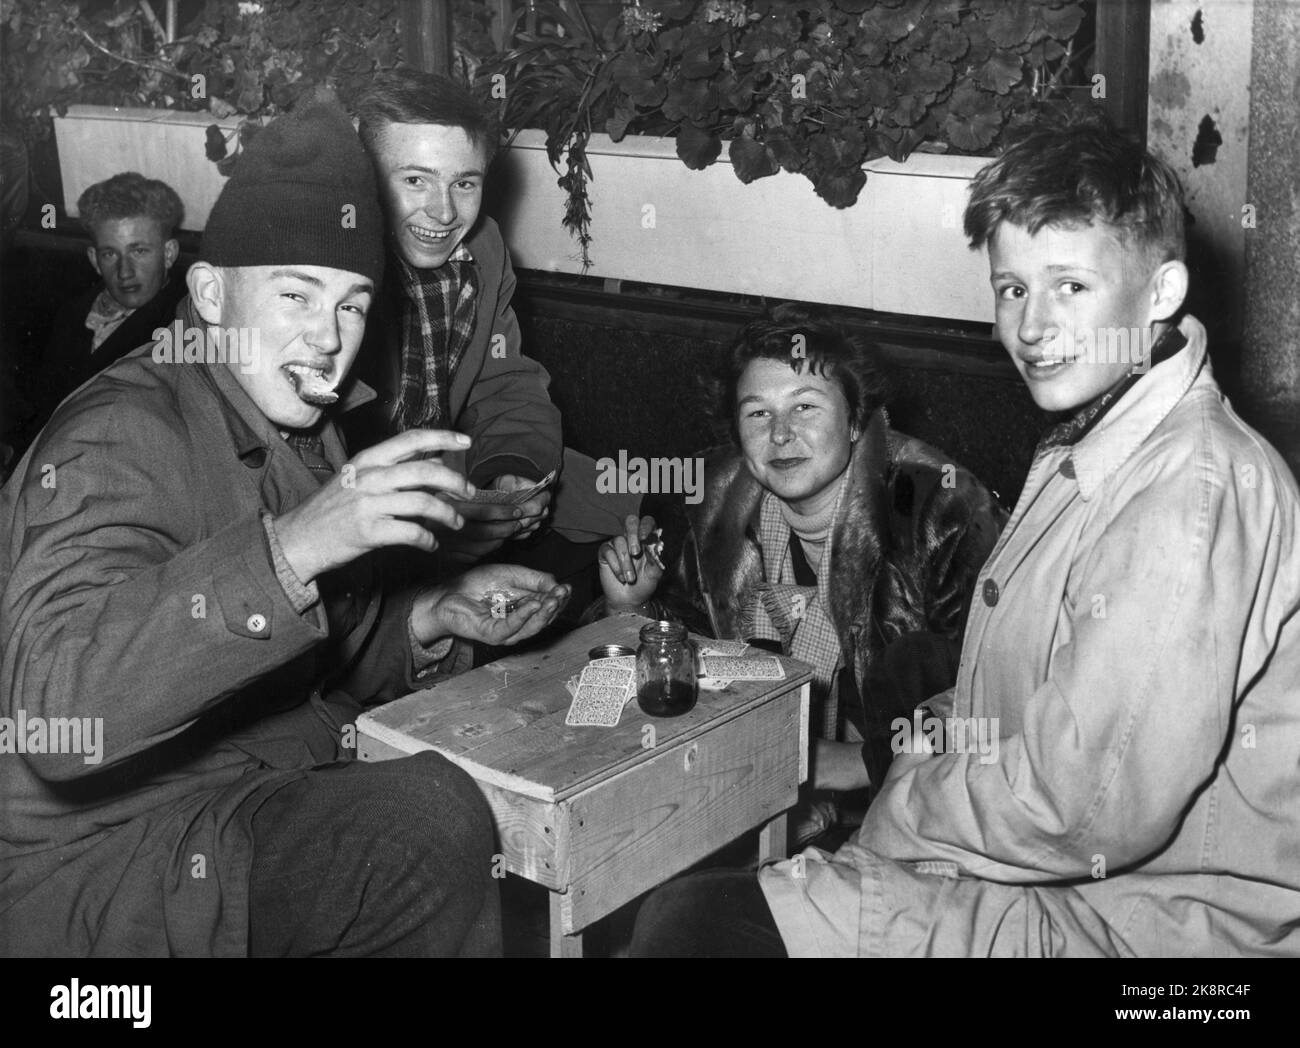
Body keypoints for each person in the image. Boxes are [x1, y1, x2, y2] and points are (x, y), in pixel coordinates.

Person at [630, 113, 1300, 958]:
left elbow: (1085, 808)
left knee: (695, 929)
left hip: (1160, 937)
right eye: (1013, 288)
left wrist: (903, 797)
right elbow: (1021, 693)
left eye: (1071, 287)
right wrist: (921, 740)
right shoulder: (1108, 437)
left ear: (1161, 294)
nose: (1031, 326)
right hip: (1066, 886)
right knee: (690, 911)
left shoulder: (1184, 493)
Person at [0, 100, 571, 957]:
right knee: (425, 823)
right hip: (99, 861)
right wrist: (299, 543)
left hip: (237, 799)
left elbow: (311, 656)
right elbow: (56, 710)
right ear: (207, 291)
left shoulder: (295, 416)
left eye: (351, 306)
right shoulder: (119, 431)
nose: (327, 340)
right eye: (295, 294)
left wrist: (434, 614)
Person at [596, 307, 1006, 798]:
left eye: (805, 406)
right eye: (757, 413)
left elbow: (1002, 692)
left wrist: (855, 763)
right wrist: (631, 605)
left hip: (919, 797)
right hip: (751, 776)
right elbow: (695, 675)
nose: (780, 434)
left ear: (856, 421)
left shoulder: (943, 509)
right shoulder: (711, 504)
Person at [348, 69, 640, 571]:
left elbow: (501, 382)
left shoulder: (481, 250)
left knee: (636, 512)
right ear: (363, 172)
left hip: (451, 471)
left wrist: (512, 469)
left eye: (463, 183)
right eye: (415, 180)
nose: (442, 212)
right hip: (345, 497)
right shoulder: (334, 261)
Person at [42, 172, 189, 402]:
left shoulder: (184, 328)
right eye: (110, 254)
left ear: (168, 254)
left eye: (138, 251)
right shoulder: (70, 314)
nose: (125, 272)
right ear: (94, 260)